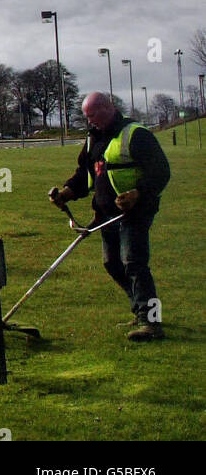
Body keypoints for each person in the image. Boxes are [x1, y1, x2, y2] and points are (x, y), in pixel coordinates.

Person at [48, 91, 170, 341]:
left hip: (135, 212)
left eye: (93, 114)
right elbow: (86, 173)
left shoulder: (136, 135)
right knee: (112, 263)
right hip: (105, 214)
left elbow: (161, 171)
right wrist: (67, 192)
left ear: (109, 107)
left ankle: (152, 322)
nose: (90, 120)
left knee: (133, 262)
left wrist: (138, 193)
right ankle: (141, 309)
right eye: (86, 116)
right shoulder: (93, 139)